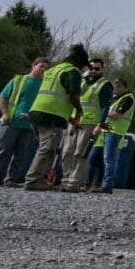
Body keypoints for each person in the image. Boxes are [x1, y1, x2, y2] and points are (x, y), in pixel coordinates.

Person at [22, 45, 89, 191]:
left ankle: (37, 178)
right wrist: (78, 109)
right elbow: (73, 95)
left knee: (45, 148)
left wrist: (69, 118)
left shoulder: (52, 70)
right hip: (52, 115)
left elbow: (55, 93)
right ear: (79, 63)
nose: (83, 70)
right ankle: (33, 180)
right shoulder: (73, 72)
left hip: (37, 112)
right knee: (47, 149)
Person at [0, 56, 47, 186]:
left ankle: (11, 179)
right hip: (11, 122)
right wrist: (5, 114)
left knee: (21, 154)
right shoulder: (19, 80)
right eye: (41, 66)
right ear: (33, 66)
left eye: (46, 68)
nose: (43, 69)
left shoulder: (45, 85)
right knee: (2, 150)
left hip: (30, 125)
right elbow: (2, 97)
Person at [59, 59, 109, 192]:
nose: (93, 71)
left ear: (102, 69)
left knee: (80, 154)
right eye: (91, 68)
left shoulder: (104, 85)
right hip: (74, 120)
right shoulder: (82, 81)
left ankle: (74, 183)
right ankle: (65, 180)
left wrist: (100, 125)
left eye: (97, 69)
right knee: (67, 152)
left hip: (89, 123)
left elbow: (105, 107)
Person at [84, 80, 135, 192]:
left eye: (116, 88)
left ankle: (106, 186)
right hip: (104, 130)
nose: (114, 91)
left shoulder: (128, 98)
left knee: (109, 159)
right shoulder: (114, 98)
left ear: (122, 87)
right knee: (94, 158)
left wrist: (104, 112)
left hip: (115, 131)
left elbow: (117, 115)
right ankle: (91, 183)